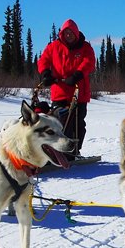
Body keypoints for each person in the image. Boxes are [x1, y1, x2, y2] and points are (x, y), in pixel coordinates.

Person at [37, 18, 96, 157]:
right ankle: (57, 150)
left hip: (79, 94)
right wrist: (45, 73)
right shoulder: (54, 47)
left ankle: (74, 150)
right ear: (62, 34)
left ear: (76, 33)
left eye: (71, 33)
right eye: (66, 33)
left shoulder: (85, 47)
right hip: (60, 93)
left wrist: (77, 75)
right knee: (58, 124)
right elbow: (43, 60)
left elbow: (89, 62)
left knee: (78, 124)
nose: (68, 35)